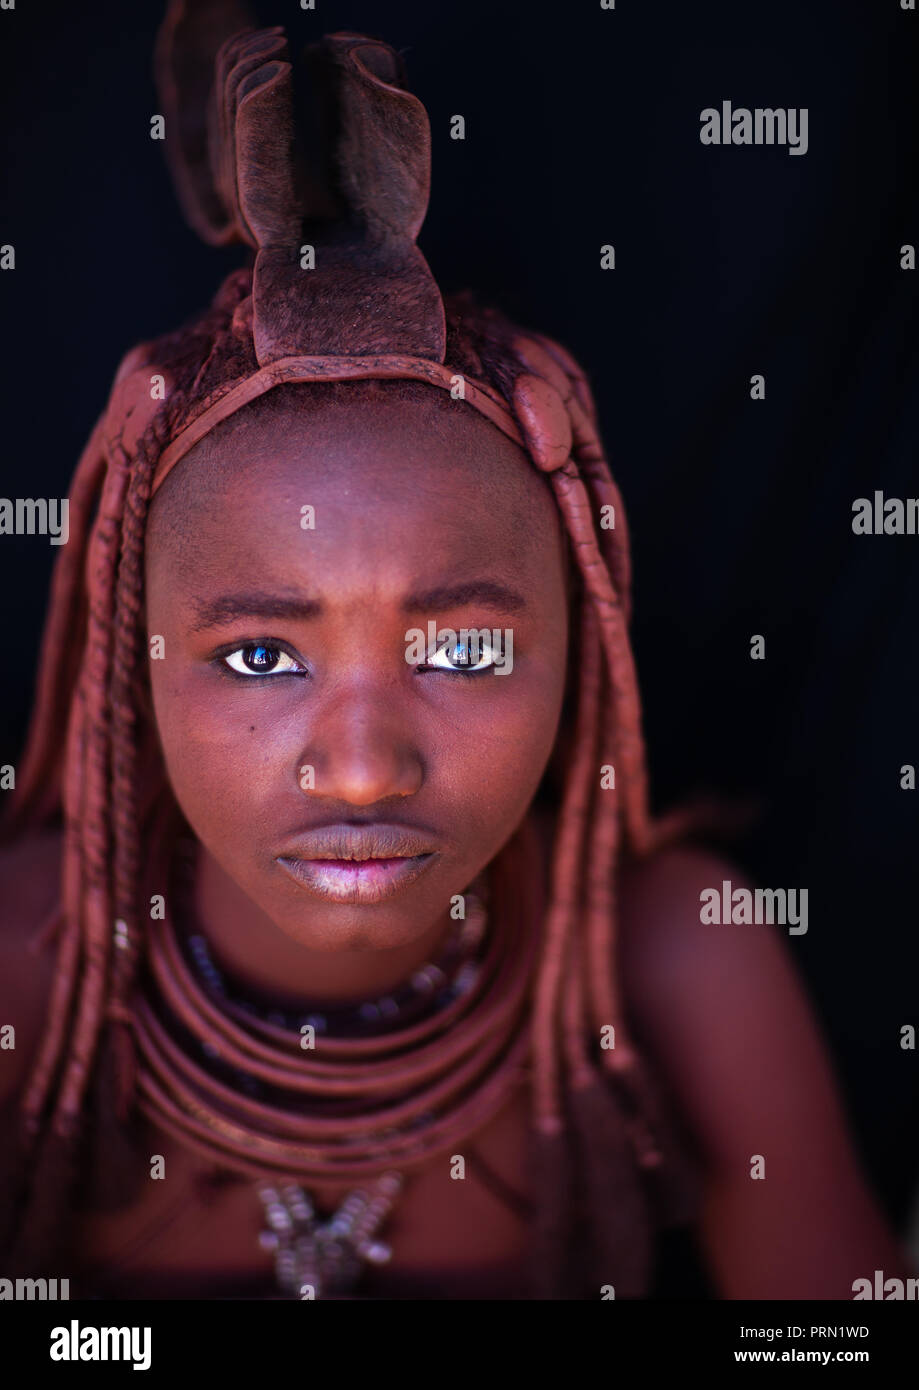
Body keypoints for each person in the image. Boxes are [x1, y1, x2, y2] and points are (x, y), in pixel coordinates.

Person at [0, 2, 911, 1301]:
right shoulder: (22, 975)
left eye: (468, 645)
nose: (364, 768)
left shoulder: (675, 970)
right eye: (261, 656)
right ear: (130, 664)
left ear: (587, 641)